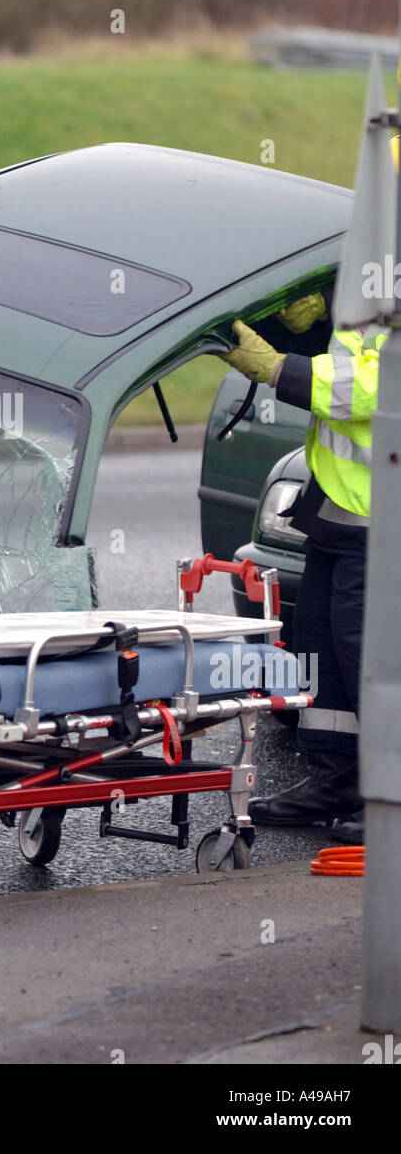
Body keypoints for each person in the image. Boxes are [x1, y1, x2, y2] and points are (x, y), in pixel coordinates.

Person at [222, 306, 386, 846]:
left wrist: (275, 368)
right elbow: (345, 354)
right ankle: (335, 781)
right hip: (341, 512)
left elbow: (371, 388)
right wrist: (307, 320)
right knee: (319, 648)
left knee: (374, 660)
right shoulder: (371, 290)